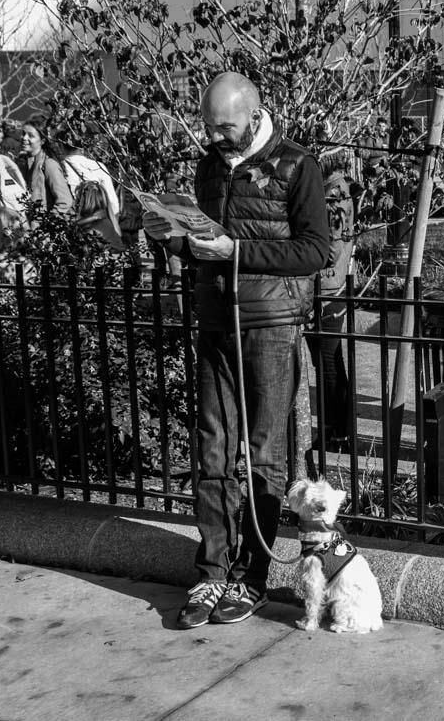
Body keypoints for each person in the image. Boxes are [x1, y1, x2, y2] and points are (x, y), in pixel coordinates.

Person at [142, 72, 329, 629]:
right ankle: (212, 572)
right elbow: (203, 245)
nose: (216, 136)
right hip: (216, 318)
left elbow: (314, 250)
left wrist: (237, 249)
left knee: (266, 453)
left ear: (253, 113)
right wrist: (170, 235)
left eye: (225, 126)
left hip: (270, 323)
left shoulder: (297, 165)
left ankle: (251, 576)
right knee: (213, 450)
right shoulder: (208, 166)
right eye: (209, 126)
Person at [307, 164, 356, 449]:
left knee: (327, 363)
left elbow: (331, 251)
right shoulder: (340, 191)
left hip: (327, 289)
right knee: (330, 361)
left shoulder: (332, 196)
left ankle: (334, 430)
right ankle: (338, 429)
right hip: (332, 287)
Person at [18, 116, 73, 214]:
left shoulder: (49, 164)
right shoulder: (22, 164)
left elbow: (65, 202)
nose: (24, 138)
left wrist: (48, 223)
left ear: (42, 141)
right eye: (23, 134)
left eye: (30, 135)